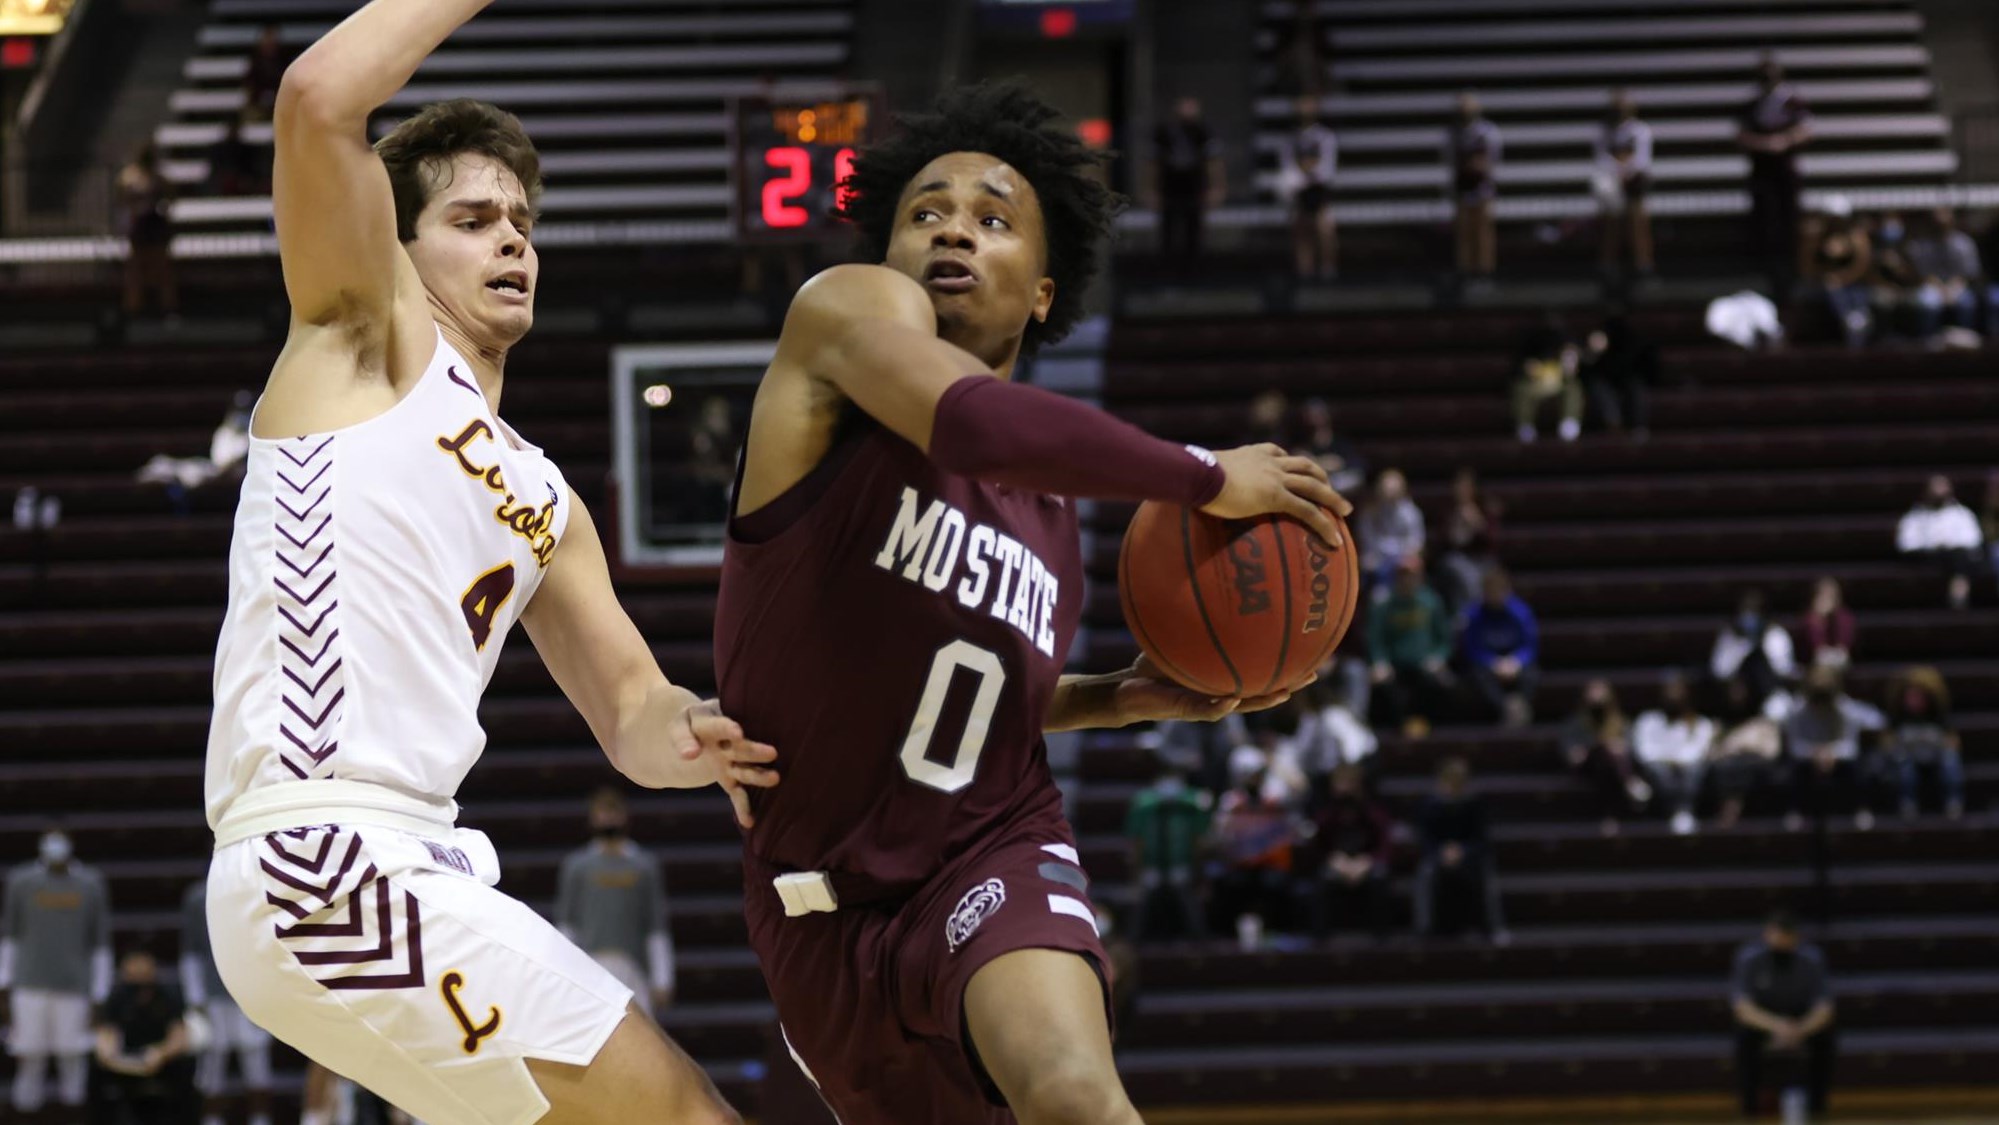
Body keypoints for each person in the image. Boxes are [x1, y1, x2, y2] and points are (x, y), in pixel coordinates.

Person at [716, 81, 1349, 1125]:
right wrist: (1202, 474)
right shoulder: (839, 315)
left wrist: (1111, 698)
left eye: (992, 217)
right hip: (813, 909)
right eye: (925, 212)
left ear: (1043, 293)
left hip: (989, 847)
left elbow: (956, 697)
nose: (952, 229)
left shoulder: (1052, 515)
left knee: (1073, 1097)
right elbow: (971, 425)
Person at [201, 4, 770, 1122]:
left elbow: (632, 712)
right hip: (325, 850)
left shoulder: (547, 497)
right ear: (394, 248)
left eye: (521, 221)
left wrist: (696, 735)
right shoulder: (362, 343)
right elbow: (318, 97)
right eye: (471, 218)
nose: (512, 239)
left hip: (418, 858)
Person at [3, 829, 111, 1119]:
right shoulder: (21, 881)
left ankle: (73, 1113)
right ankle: (24, 1113)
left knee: (72, 1057)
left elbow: (100, 942)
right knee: (29, 1056)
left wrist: (99, 992)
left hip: (74, 985)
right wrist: (4, 982)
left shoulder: (90, 883)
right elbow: (10, 935)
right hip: (29, 983)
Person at [556, 790, 676, 1019]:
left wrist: (662, 978)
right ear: (593, 817)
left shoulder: (644, 865)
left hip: (634, 966)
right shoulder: (577, 866)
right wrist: (564, 972)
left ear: (624, 816)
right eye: (603, 811)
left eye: (613, 811)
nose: (608, 818)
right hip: (591, 963)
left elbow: (656, 925)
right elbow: (567, 924)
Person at [181, 879, 272, 1125]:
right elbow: (191, 950)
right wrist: (195, 998)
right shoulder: (198, 898)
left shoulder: (258, 891)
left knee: (255, 1056)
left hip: (251, 991)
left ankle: (261, 1119)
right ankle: (212, 1119)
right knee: (213, 1057)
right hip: (213, 992)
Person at [1732, 911, 1837, 1118]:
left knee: (1826, 1036)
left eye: (1787, 937)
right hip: (1765, 1020)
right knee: (1743, 1036)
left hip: (1800, 1020)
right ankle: (1750, 1109)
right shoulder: (1750, 959)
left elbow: (1824, 1008)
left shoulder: (1812, 958)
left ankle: (1817, 1107)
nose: (1782, 943)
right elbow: (1743, 1008)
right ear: (1767, 935)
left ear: (1796, 937)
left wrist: (1801, 1029)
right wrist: (1776, 1026)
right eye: (1777, 936)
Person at [1210, 745, 1303, 950]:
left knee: (1275, 883)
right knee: (1231, 884)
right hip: (1240, 864)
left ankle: (1276, 932)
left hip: (1269, 862)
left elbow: (1299, 792)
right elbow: (1221, 836)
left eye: (1258, 774)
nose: (1255, 779)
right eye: (1251, 775)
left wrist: (1275, 763)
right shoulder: (1230, 802)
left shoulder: (1274, 797)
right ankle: (1234, 936)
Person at [92, 949, 199, 1125]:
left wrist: (161, 1053)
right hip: (126, 1060)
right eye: (133, 976)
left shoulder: (168, 995)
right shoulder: (117, 997)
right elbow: (106, 1036)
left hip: (162, 1057)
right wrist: (113, 1058)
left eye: (143, 975)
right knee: (96, 1072)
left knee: (187, 1066)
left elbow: (180, 1036)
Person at [1738, 55, 1813, 289]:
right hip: (1762, 169)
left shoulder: (1792, 102)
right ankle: (1765, 267)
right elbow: (1741, 135)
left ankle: (1793, 267)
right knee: (1764, 217)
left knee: (1789, 217)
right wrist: (1763, 144)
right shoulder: (1752, 105)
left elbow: (1805, 129)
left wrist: (1783, 141)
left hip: (1785, 168)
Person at [1778, 666, 1885, 831]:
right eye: (1817, 699)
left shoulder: (1845, 709)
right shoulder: (1796, 710)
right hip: (1808, 760)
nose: (1821, 706)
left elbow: (1851, 746)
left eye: (1825, 699)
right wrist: (1815, 753)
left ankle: (1861, 810)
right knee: (1789, 770)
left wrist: (1831, 753)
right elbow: (1794, 746)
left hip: (1837, 760)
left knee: (1860, 768)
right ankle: (1794, 811)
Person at [1414, 759, 1505, 944]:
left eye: (1457, 782)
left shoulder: (1475, 805)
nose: (1451, 787)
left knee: (1487, 871)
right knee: (1425, 872)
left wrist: (1462, 851)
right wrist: (1442, 852)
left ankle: (1493, 927)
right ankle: (1424, 928)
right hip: (1437, 855)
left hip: (1469, 856)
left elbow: (1481, 840)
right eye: (1448, 781)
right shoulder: (1429, 805)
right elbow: (1425, 840)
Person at [1124, 755, 1212, 943]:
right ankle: (1132, 944)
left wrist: (1199, 873)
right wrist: (1136, 875)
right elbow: (1136, 842)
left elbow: (1199, 842)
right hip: (1151, 865)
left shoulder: (1193, 803)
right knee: (1141, 902)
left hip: (1181, 864)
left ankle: (1200, 943)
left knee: (1189, 900)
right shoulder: (1143, 803)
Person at [1301, 764, 1393, 942]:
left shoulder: (1373, 811)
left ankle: (1381, 940)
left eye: (1350, 783)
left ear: (1359, 786)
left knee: (1380, 877)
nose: (1345, 789)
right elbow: (1317, 846)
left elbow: (1385, 845)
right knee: (1322, 880)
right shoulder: (1326, 812)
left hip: (1366, 863)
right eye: (1340, 783)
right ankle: (1320, 941)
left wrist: (1367, 862)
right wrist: (1334, 860)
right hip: (1337, 864)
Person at [1366, 556, 1456, 737]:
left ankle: (1431, 731)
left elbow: (1444, 640)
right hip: (1394, 666)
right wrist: (1379, 662)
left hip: (1425, 665)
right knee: (1384, 689)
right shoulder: (1383, 604)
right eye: (1403, 575)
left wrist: (1438, 658)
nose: (1407, 580)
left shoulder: (1431, 602)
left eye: (1411, 575)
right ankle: (1399, 731)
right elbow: (1375, 639)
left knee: (1438, 685)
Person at [1559, 678, 1649, 836]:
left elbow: (1633, 749)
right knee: (1604, 752)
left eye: (1600, 691)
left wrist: (1619, 748)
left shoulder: (1621, 722)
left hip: (1611, 769)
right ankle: (1630, 782)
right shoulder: (1575, 724)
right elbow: (1570, 753)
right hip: (1588, 767)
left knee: (1609, 761)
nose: (1596, 696)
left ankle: (1611, 814)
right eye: (1593, 691)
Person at [1633, 674, 1717, 835]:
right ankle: (1672, 812)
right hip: (1658, 770)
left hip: (1687, 770)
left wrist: (1675, 760)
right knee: (1659, 770)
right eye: (1669, 691)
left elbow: (1699, 752)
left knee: (1695, 769)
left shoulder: (1699, 723)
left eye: (1677, 690)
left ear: (1687, 694)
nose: (1673, 696)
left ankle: (1685, 811)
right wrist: (1670, 760)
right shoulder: (1648, 721)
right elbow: (1645, 752)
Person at [1879, 666, 1965, 820]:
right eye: (1911, 696)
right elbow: (1887, 742)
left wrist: (1940, 744)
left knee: (1950, 760)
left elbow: (1952, 741)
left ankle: (1953, 803)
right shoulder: (1898, 717)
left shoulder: (1938, 716)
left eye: (1919, 696)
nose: (1915, 701)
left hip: (1935, 757)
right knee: (1903, 764)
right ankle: (1907, 804)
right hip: (1909, 759)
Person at [1152, 96, 1225, 277]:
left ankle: (1192, 272)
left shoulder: (1202, 131)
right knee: (1168, 230)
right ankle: (1168, 271)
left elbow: (1213, 162)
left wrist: (1216, 187)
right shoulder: (1164, 132)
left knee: (1194, 229)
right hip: (1170, 187)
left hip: (1194, 187)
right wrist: (1152, 189)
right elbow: (1153, 163)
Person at [1461, 568, 1539, 727]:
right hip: (1488, 662)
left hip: (1514, 661)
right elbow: (1472, 648)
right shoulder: (1474, 614)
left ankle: (1519, 707)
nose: (1495, 595)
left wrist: (1516, 661)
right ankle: (1505, 709)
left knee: (1531, 674)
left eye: (1498, 590)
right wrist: (1493, 662)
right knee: (1478, 676)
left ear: (1507, 591)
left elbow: (1530, 646)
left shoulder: (1520, 612)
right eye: (1490, 591)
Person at [1896, 474, 1984, 609]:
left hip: (1954, 556)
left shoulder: (1962, 514)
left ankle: (1958, 598)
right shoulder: (1915, 515)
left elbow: (1973, 540)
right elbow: (1906, 543)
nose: (1938, 491)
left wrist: (1948, 545)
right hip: (1925, 557)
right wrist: (1932, 546)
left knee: (1961, 558)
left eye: (1942, 487)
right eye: (1935, 487)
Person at [1905, 206, 1986, 346]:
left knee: (1967, 303)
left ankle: (1964, 340)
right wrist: (1941, 289)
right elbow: (1922, 273)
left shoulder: (1964, 243)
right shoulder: (1921, 244)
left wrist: (1952, 289)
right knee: (1928, 304)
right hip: (1932, 285)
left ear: (1952, 221)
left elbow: (1967, 273)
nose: (1940, 225)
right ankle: (1928, 341)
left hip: (1958, 285)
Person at [1594, 90, 1654, 276]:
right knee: (1611, 220)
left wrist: (1627, 170)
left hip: (1634, 181)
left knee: (1638, 220)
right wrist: (1618, 169)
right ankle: (1608, 263)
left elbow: (1643, 160)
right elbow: (1601, 158)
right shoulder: (1604, 131)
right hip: (1612, 181)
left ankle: (1643, 263)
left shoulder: (1640, 130)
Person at [1279, 97, 1338, 281]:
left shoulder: (1326, 137)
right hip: (1299, 192)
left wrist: (1308, 170)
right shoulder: (1290, 139)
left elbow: (1327, 170)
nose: (1305, 107)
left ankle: (1328, 269)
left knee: (1325, 227)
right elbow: (1287, 168)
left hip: (1319, 191)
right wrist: (1303, 174)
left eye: (1309, 103)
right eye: (1301, 102)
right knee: (1300, 226)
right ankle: (1305, 271)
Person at [119, 142, 178, 320]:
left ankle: (168, 309)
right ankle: (133, 310)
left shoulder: (159, 178)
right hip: (139, 225)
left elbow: (171, 196)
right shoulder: (130, 176)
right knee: (136, 270)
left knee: (162, 270)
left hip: (155, 224)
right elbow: (123, 199)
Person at [1709, 589, 1796, 706]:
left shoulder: (1776, 635)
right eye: (1745, 610)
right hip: (1735, 698)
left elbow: (1784, 671)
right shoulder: (1729, 636)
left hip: (1770, 694)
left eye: (1754, 610)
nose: (1749, 616)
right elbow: (1719, 672)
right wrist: (1741, 650)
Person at [1579, 312, 1658, 439]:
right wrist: (1591, 354)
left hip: (1627, 378)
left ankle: (1639, 428)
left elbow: (1647, 366)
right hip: (1602, 379)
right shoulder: (1597, 339)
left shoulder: (1632, 339)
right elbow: (1584, 373)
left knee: (1636, 388)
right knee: (1600, 389)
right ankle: (1614, 427)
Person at [1449, 92, 1501, 280]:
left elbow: (1494, 159)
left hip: (1482, 189)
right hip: (1463, 189)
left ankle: (1485, 273)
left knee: (1483, 234)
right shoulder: (1454, 133)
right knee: (1464, 234)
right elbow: (1450, 160)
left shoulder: (1487, 132)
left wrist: (1480, 167)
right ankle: (1464, 273)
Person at [1435, 466, 1500, 612]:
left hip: (1481, 559)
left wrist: (1477, 523)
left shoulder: (1485, 508)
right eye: (1459, 486)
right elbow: (1442, 543)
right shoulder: (1448, 510)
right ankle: (1471, 615)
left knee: (1493, 575)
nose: (1462, 490)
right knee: (1466, 575)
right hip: (1456, 559)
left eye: (1467, 486)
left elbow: (1491, 541)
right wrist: (1455, 527)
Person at [1814, 198, 1875, 349]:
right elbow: (1809, 264)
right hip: (1828, 285)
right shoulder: (1818, 236)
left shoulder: (1857, 236)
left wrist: (1843, 278)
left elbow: (1863, 265)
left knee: (1858, 306)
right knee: (1832, 290)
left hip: (1856, 283)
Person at [1511, 315, 1582, 443]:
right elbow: (1521, 363)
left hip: (1559, 382)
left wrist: (1570, 365)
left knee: (1573, 388)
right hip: (1536, 382)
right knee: (1521, 389)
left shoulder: (1566, 342)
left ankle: (1569, 423)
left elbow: (1573, 364)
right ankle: (1525, 426)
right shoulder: (1532, 341)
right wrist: (1529, 367)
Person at [1356, 468, 1425, 593]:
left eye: (1394, 490)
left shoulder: (1411, 513)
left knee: (1408, 567)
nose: (1390, 494)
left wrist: (1405, 557)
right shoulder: (1370, 513)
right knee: (1367, 567)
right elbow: (1367, 541)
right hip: (1377, 558)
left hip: (1402, 558)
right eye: (1386, 490)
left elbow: (1416, 542)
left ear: (1402, 490)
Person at [1293, 397, 1366, 497]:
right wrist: (1323, 462)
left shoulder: (1341, 443)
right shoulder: (1303, 443)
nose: (1316, 419)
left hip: (1337, 485)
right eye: (1312, 415)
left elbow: (1352, 468)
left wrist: (1316, 462)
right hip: (1313, 485)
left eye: (1319, 414)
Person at [1799, 575, 1856, 672]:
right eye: (1823, 594)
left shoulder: (1845, 617)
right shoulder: (1810, 618)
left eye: (1831, 595)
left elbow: (1844, 647)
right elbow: (1815, 648)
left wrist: (1832, 619)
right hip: (1815, 665)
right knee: (1822, 669)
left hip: (1839, 660)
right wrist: (1819, 620)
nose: (1826, 598)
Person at [242, 24, 290, 121]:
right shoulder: (255, 61)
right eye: (267, 38)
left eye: (272, 39)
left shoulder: (284, 61)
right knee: (250, 114)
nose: (270, 42)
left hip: (280, 102)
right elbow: (249, 84)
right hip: (258, 103)